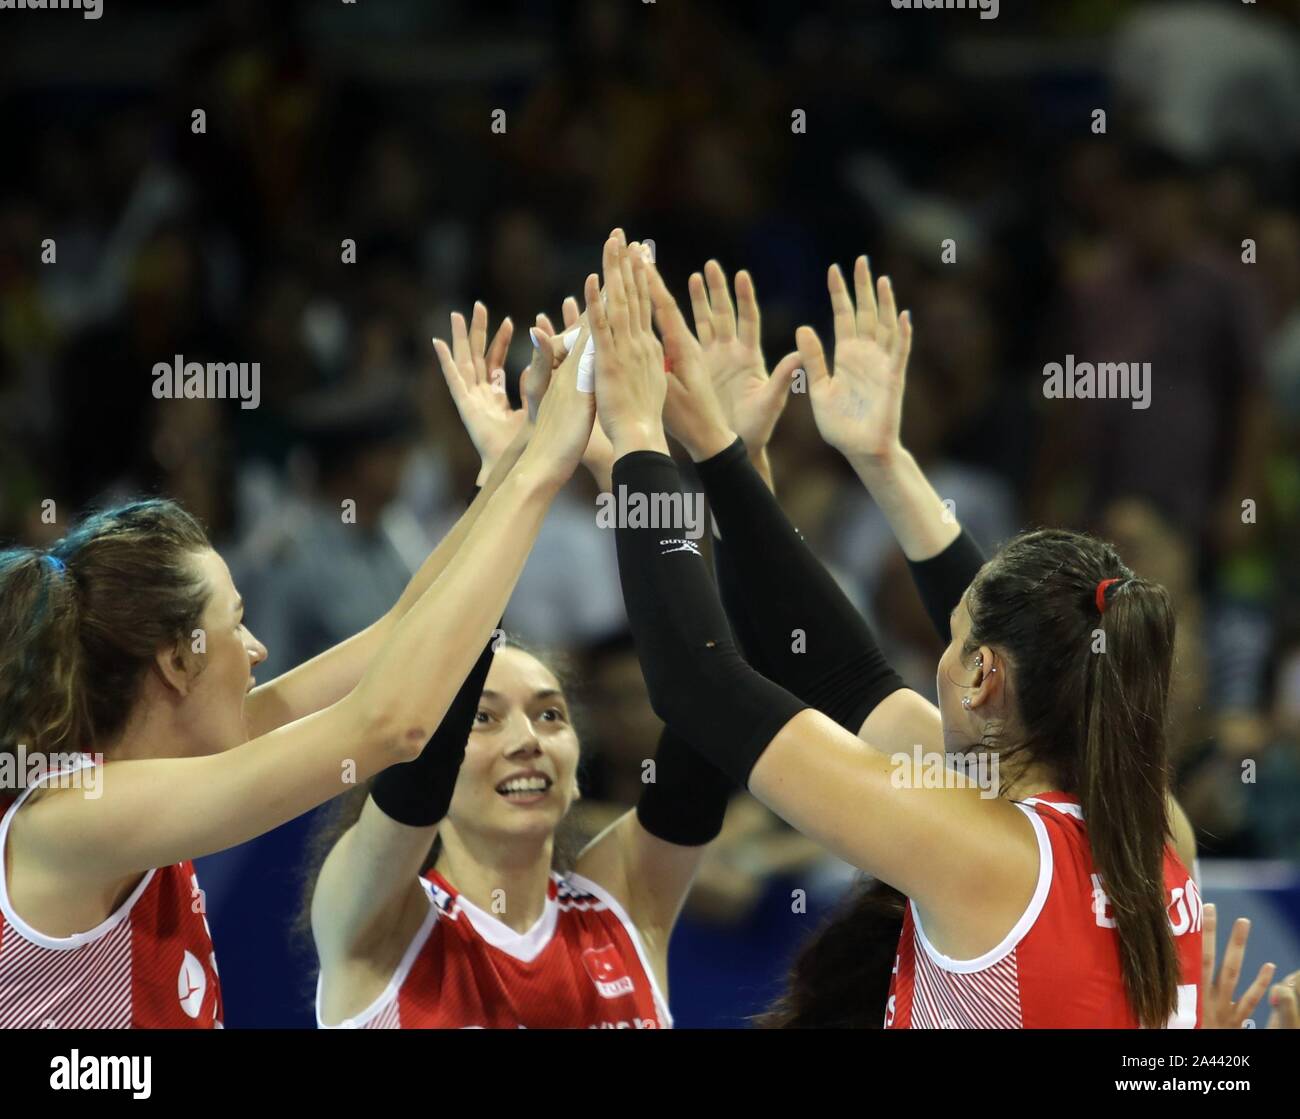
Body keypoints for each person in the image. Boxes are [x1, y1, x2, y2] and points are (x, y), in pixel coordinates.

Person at [594, 236, 1202, 1028]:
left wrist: (642, 438)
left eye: (952, 641)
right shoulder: (1155, 834)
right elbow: (847, 677)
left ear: (985, 677)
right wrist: (726, 453)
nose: (934, 663)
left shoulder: (977, 845)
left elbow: (698, 683)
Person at [0, 302, 595, 1028]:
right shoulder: (73, 818)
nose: (259, 649)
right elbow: (395, 724)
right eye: (237, 623)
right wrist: (544, 472)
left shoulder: (168, 760)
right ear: (177, 661)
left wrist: (508, 469)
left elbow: (399, 631)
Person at [303, 264, 733, 1028]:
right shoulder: (374, 918)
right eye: (485, 718)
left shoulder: (627, 900)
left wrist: (627, 455)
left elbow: (711, 679)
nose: (528, 740)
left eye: (551, 714)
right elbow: (433, 697)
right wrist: (517, 475)